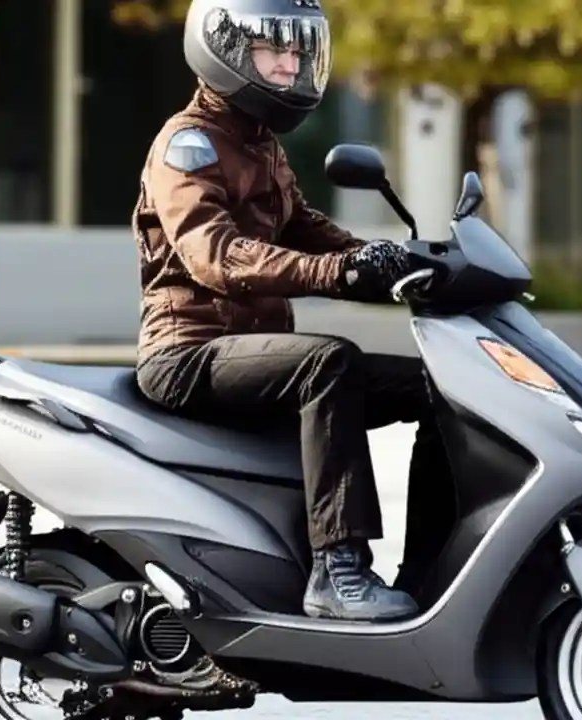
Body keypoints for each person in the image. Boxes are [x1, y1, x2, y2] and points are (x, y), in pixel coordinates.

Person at [132, 0, 454, 621]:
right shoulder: (189, 145)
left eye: (297, 53)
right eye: (273, 51)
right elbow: (215, 255)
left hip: (246, 354)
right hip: (186, 353)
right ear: (223, 49)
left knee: (443, 387)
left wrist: (401, 261)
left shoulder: (261, 145)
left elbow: (304, 228)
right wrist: (337, 273)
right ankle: (336, 572)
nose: (289, 65)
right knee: (327, 364)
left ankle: (431, 567)